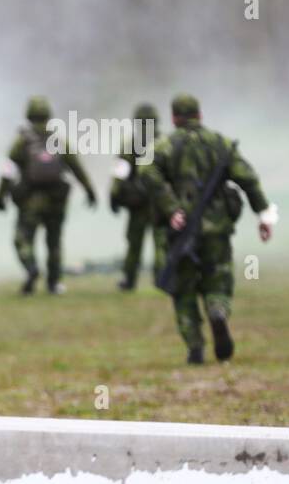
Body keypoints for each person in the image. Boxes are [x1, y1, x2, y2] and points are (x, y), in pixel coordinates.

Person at [139, 93, 276, 364]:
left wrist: (171, 208)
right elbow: (247, 178)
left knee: (183, 288)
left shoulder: (165, 145)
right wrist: (263, 214)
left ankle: (195, 347)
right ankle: (217, 310)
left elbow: (146, 172)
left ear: (174, 117)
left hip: (181, 229)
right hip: (218, 228)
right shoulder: (221, 144)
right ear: (200, 115)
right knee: (218, 279)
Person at [0, 96, 97, 295]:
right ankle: (54, 283)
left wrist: (0, 197)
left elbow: (8, 171)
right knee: (54, 242)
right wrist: (90, 191)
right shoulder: (58, 140)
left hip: (30, 201)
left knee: (23, 239)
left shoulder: (22, 141)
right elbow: (77, 168)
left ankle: (31, 267)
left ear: (29, 115)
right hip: (56, 201)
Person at [110, 102, 160, 290]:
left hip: (138, 204)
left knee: (134, 245)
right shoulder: (165, 142)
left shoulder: (131, 144)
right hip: (160, 203)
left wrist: (114, 196)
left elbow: (120, 173)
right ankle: (161, 278)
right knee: (161, 243)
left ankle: (129, 281)